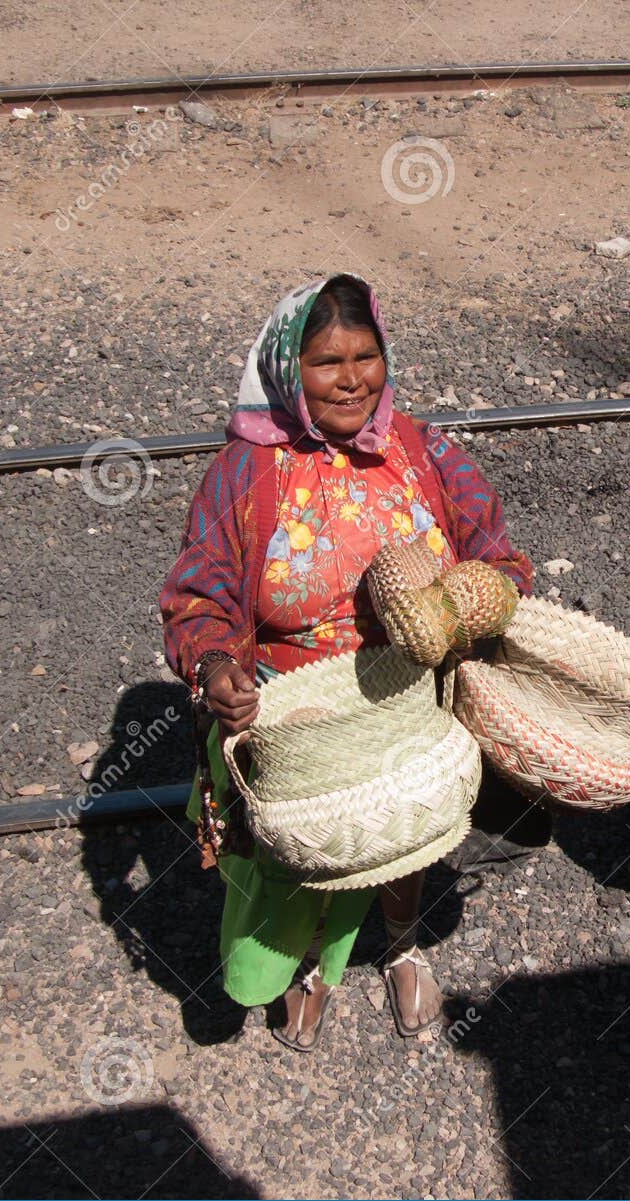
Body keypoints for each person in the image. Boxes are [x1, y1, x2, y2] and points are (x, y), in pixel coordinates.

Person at [161, 274, 538, 1052]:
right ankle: (306, 960)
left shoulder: (423, 451)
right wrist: (217, 666)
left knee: (402, 838)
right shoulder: (246, 471)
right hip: (294, 713)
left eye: (367, 357)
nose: (353, 380)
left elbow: (500, 558)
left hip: (408, 702)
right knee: (303, 853)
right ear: (286, 369)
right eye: (327, 362)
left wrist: (466, 605)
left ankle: (400, 943)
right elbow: (199, 594)